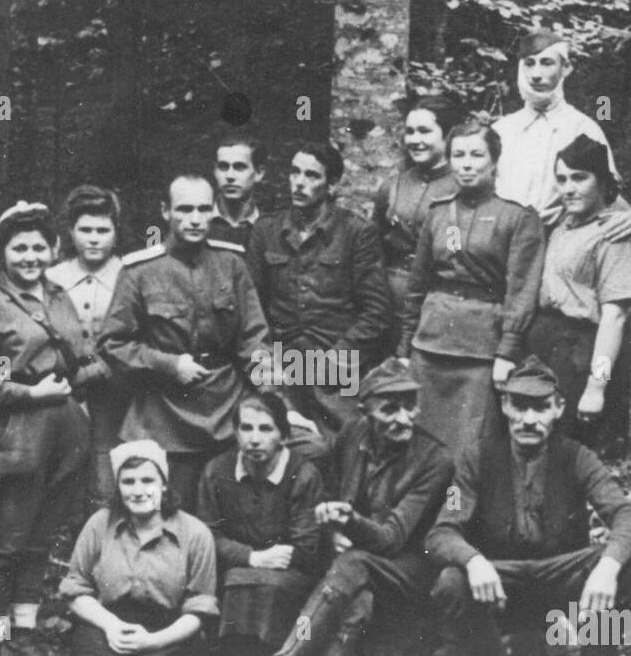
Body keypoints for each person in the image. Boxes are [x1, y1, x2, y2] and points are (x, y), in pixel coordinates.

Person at [426, 356, 631, 656]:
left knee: (625, 570)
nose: (529, 419)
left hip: (559, 586)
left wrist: (608, 567)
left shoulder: (579, 458)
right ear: (505, 407)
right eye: (520, 406)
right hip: (500, 587)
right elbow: (442, 533)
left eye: (541, 407)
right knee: (451, 579)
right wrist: (474, 561)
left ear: (559, 409)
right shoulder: (476, 460)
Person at [240, 358, 456, 656]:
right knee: (359, 601)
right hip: (357, 567)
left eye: (410, 406)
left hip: (411, 569)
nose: (403, 418)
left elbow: (392, 538)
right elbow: (333, 494)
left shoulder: (434, 459)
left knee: (353, 565)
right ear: (365, 412)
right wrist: (333, 531)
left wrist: (348, 523)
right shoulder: (353, 435)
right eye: (389, 409)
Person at [0, 201, 93, 656]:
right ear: (2, 251)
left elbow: (79, 357)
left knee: (39, 542)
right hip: (17, 431)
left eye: (39, 246)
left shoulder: (59, 295)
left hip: (64, 429)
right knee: (8, 544)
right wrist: (30, 394)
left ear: (53, 249)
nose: (30, 256)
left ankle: (23, 639)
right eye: (20, 247)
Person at [7, 440, 219, 656]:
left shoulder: (195, 533)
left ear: (163, 484)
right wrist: (110, 625)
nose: (138, 489)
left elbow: (199, 610)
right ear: (118, 486)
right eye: (128, 481)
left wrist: (152, 640)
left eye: (148, 480)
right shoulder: (100, 524)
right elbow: (75, 588)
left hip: (166, 632)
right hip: (104, 622)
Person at [97, 171, 273, 511]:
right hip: (165, 414)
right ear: (166, 211)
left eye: (204, 209)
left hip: (225, 409)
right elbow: (112, 344)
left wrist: (274, 401)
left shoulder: (232, 264)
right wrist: (170, 364)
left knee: (226, 512)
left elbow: (254, 340)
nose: (195, 219)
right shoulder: (140, 271)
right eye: (185, 209)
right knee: (171, 511)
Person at [397, 119, 544, 458]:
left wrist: (507, 352)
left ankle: (460, 510)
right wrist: (405, 348)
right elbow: (418, 285)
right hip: (430, 344)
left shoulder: (518, 217)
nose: (466, 164)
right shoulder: (437, 214)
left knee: (469, 445)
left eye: (477, 155)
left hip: (481, 348)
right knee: (421, 441)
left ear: (494, 160)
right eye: (458, 155)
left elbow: (521, 290)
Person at [246, 141, 390, 436]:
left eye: (311, 176)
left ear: (332, 184)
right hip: (280, 362)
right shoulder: (265, 230)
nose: (299, 183)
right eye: (295, 173)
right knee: (274, 441)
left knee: (346, 444)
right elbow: (251, 309)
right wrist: (265, 360)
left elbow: (376, 313)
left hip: (336, 365)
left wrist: (336, 360)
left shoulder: (357, 233)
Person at [196, 393, 324, 656]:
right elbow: (207, 537)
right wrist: (252, 557)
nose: (254, 439)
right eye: (246, 428)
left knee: (267, 589)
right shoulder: (216, 472)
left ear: (283, 435)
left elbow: (305, 547)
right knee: (231, 584)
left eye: (266, 429)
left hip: (289, 574)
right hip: (239, 568)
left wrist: (265, 560)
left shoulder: (303, 474)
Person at [531, 135, 631, 443]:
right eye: (562, 179)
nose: (569, 188)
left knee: (564, 446)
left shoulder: (612, 232)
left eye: (580, 178)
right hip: (543, 345)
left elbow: (614, 316)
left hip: (579, 353)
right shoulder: (561, 224)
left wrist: (597, 386)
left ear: (601, 181)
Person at [491, 28, 631, 239]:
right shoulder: (502, 130)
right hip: (500, 242)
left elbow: (608, 192)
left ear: (566, 68)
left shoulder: (583, 128)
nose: (536, 74)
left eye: (547, 63)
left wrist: (630, 217)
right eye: (529, 63)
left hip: (560, 239)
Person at [47, 184, 131, 514]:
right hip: (63, 390)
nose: (93, 238)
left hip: (115, 390)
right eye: (85, 230)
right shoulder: (53, 278)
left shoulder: (129, 275)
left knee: (106, 462)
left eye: (102, 230)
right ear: (70, 231)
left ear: (115, 231)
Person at [373, 94, 464, 349]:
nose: (415, 139)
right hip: (389, 303)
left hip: (437, 300)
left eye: (425, 131)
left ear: (447, 135)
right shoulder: (393, 186)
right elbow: (376, 249)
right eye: (410, 132)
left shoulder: (461, 187)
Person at [208, 132, 266, 252]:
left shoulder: (269, 229)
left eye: (239, 167)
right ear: (214, 171)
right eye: (223, 167)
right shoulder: (198, 221)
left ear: (259, 173)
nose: (230, 176)